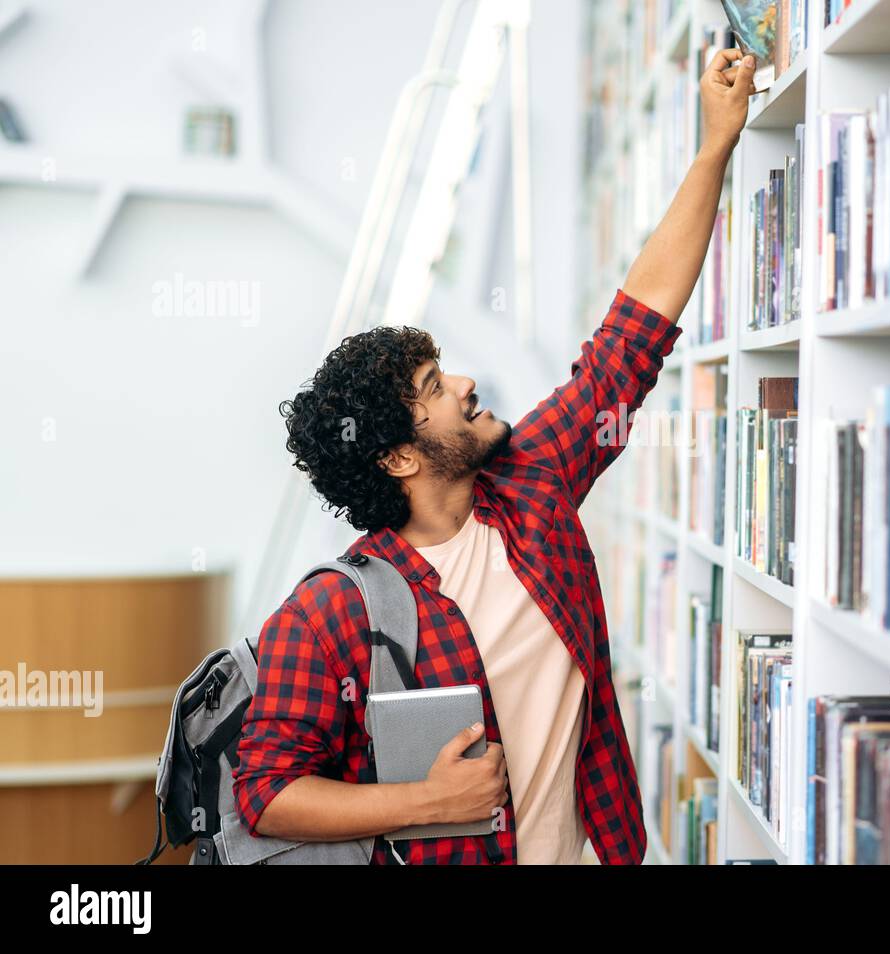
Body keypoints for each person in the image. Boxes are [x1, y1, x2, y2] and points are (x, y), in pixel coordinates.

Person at [232, 49, 758, 865]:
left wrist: (715, 145)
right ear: (402, 458)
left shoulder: (533, 489)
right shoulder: (333, 613)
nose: (468, 384)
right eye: (436, 385)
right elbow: (266, 792)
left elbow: (634, 333)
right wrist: (423, 803)